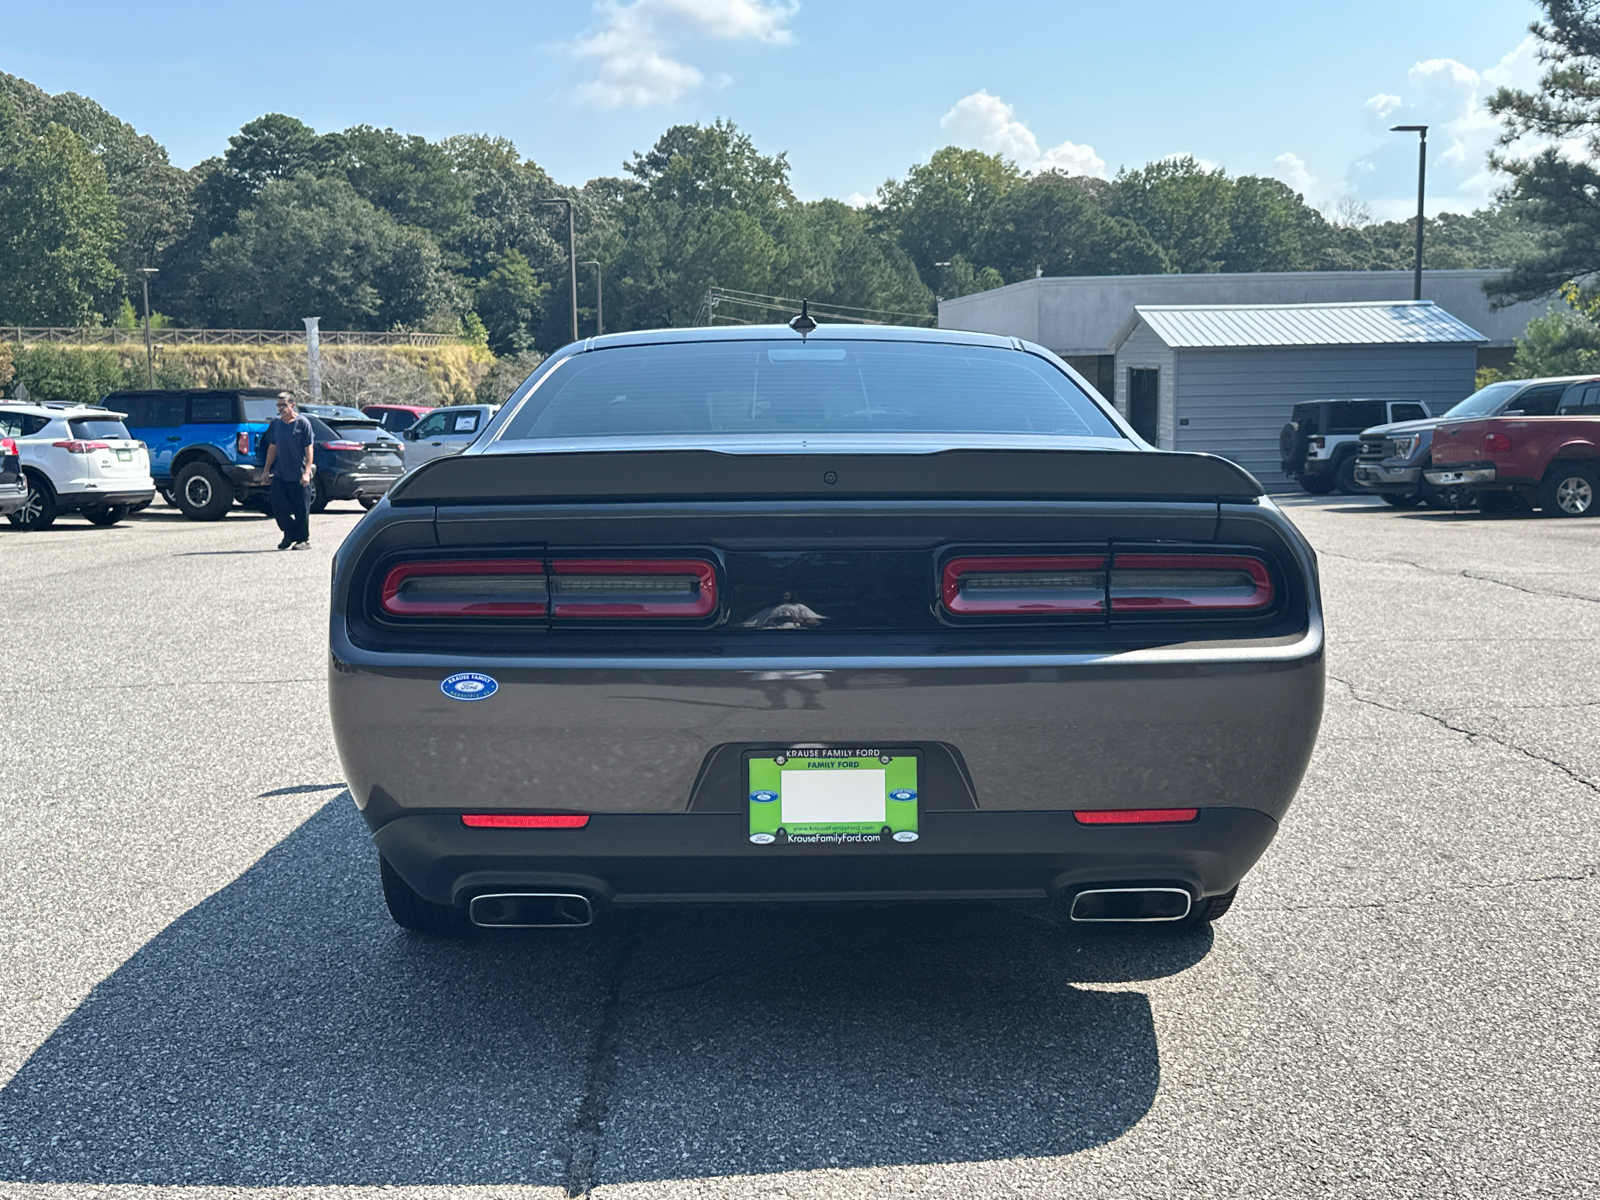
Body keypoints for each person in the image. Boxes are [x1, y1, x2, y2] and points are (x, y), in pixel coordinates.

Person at [260, 392, 315, 550]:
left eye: (284, 405)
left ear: (292, 404)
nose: (281, 408)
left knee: (301, 510)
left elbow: (309, 449)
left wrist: (306, 472)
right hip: (280, 474)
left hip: (299, 475)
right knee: (278, 508)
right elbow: (272, 448)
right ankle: (290, 533)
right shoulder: (276, 424)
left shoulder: (303, 423)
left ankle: (303, 540)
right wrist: (266, 470)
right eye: (279, 405)